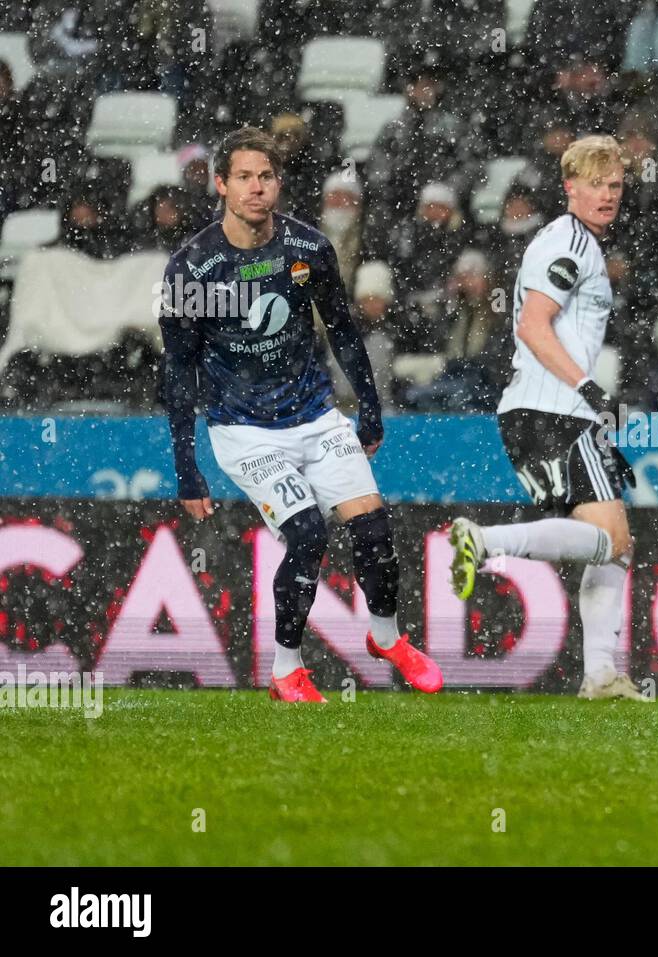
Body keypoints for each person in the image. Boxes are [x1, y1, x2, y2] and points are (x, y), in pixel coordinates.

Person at [157, 127, 442, 703]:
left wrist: (369, 408)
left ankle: (386, 638)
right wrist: (187, 467)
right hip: (244, 430)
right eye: (244, 177)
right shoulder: (192, 268)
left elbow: (342, 330)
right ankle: (286, 670)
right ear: (221, 184)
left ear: (279, 182)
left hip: (314, 414)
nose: (256, 188)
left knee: (374, 528)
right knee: (308, 534)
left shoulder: (307, 247)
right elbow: (178, 371)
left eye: (266, 176)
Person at [447, 135, 645, 702]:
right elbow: (534, 324)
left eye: (615, 185)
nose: (608, 194)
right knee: (611, 539)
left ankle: (600, 675)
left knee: (614, 544)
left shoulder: (570, 240)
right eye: (596, 184)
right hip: (555, 410)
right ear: (570, 187)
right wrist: (589, 389)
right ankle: (485, 540)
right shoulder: (571, 243)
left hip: (541, 410)